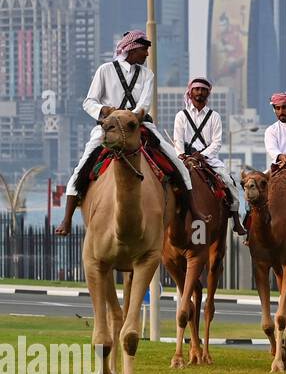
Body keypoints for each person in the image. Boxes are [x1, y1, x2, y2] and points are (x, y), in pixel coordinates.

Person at [56, 30, 199, 235]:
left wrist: (129, 119)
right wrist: (104, 111)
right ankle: (67, 219)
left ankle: (193, 212)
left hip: (138, 126)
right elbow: (89, 102)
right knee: (82, 167)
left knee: (178, 163)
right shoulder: (105, 70)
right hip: (109, 127)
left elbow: (144, 104)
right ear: (131, 49)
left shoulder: (147, 74)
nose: (147, 55)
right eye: (144, 50)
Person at [171, 76, 245, 235]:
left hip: (208, 159)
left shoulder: (214, 116)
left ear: (208, 93)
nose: (200, 92)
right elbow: (178, 139)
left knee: (229, 182)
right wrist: (183, 155)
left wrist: (201, 156)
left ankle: (235, 219)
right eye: (197, 89)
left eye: (203, 90)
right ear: (190, 93)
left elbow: (217, 143)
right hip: (184, 159)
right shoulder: (181, 116)